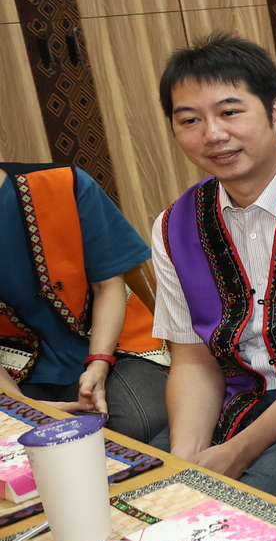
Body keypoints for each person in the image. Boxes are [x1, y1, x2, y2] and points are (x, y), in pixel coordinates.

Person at [150, 35, 276, 502]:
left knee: (241, 512)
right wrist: (185, 458)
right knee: (150, 492)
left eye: (230, 112)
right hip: (236, 401)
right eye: (190, 120)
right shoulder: (173, 225)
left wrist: (239, 452)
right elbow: (191, 359)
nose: (213, 134)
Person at [0, 163, 168, 437]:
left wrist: (98, 365)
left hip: (112, 342)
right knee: (21, 441)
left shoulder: (64, 183)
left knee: (142, 423)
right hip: (14, 366)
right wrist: (19, 408)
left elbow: (107, 286)